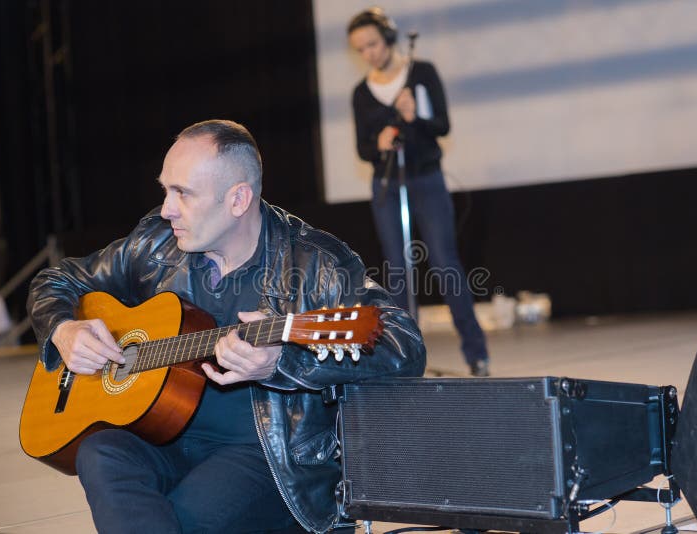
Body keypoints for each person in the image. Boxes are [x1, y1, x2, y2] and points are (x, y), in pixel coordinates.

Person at [27, 119, 426, 533]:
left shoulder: (315, 263)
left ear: (238, 199)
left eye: (182, 193)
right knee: (99, 451)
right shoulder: (157, 241)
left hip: (268, 454)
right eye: (165, 189)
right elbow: (59, 280)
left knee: (182, 520)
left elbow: (403, 345)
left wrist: (282, 363)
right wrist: (62, 329)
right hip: (163, 434)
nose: (166, 209)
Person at [347, 7, 490, 377]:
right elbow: (363, 149)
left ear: (389, 38)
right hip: (387, 186)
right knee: (397, 272)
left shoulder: (421, 74)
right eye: (360, 49)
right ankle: (405, 359)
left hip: (426, 180)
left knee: (445, 264)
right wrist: (378, 142)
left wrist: (415, 119)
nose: (369, 54)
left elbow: (441, 125)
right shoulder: (362, 94)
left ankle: (477, 354)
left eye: (373, 44)